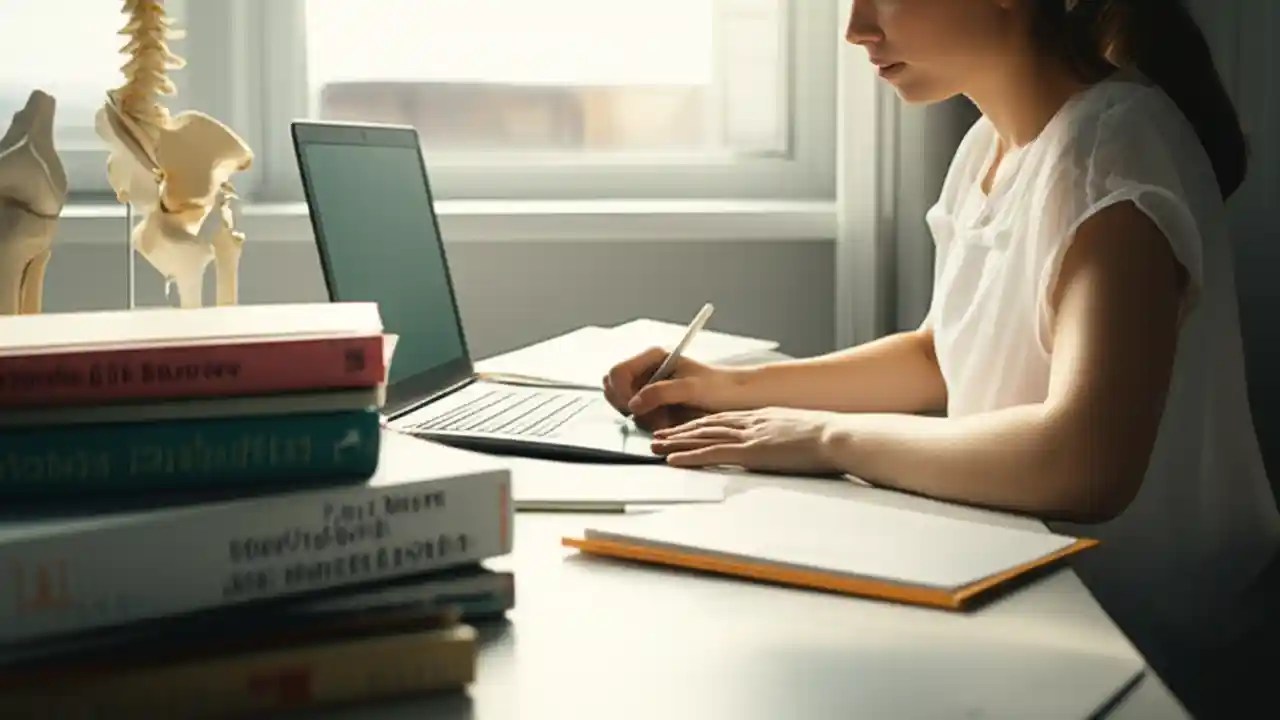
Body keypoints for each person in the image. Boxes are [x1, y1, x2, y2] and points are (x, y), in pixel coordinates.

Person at [603, 0, 1280, 715]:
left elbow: (1084, 460)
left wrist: (827, 438)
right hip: (1042, 601)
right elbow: (939, 356)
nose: (857, 29)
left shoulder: (1114, 152)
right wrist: (731, 387)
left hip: (1154, 654)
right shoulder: (992, 146)